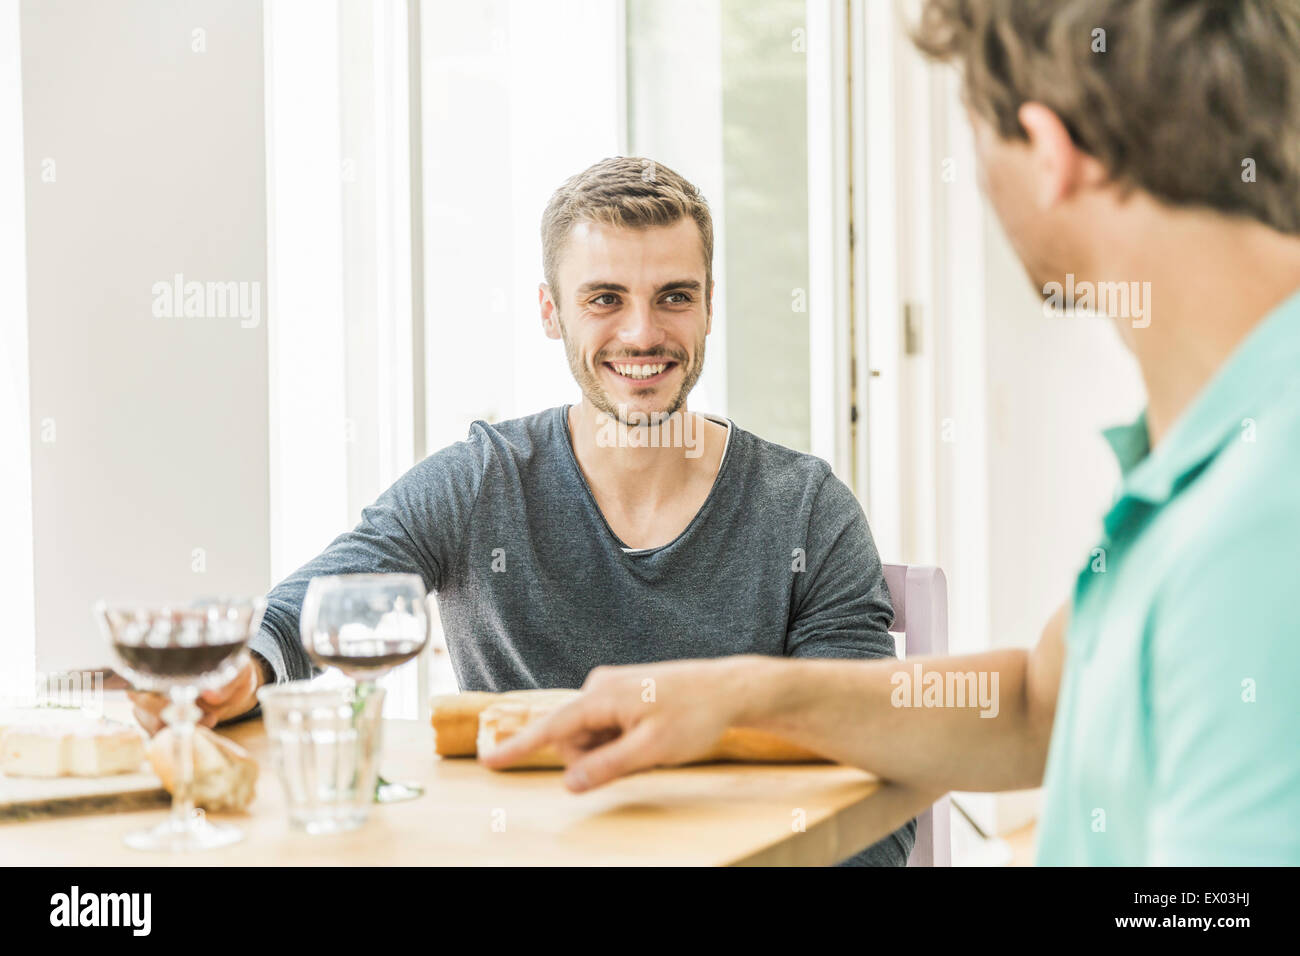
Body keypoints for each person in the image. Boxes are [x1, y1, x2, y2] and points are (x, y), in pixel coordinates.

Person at [485, 0, 1300, 865]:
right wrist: (735, 695)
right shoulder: (1225, 426)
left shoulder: (1260, 517)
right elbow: (1037, 706)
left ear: (1049, 151)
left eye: (975, 132)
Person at [131, 157, 914, 866]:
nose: (643, 332)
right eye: (604, 298)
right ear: (550, 311)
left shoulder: (807, 510)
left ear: (709, 307)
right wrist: (251, 665)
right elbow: (329, 594)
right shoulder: (485, 480)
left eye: (674, 296)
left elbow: (872, 770)